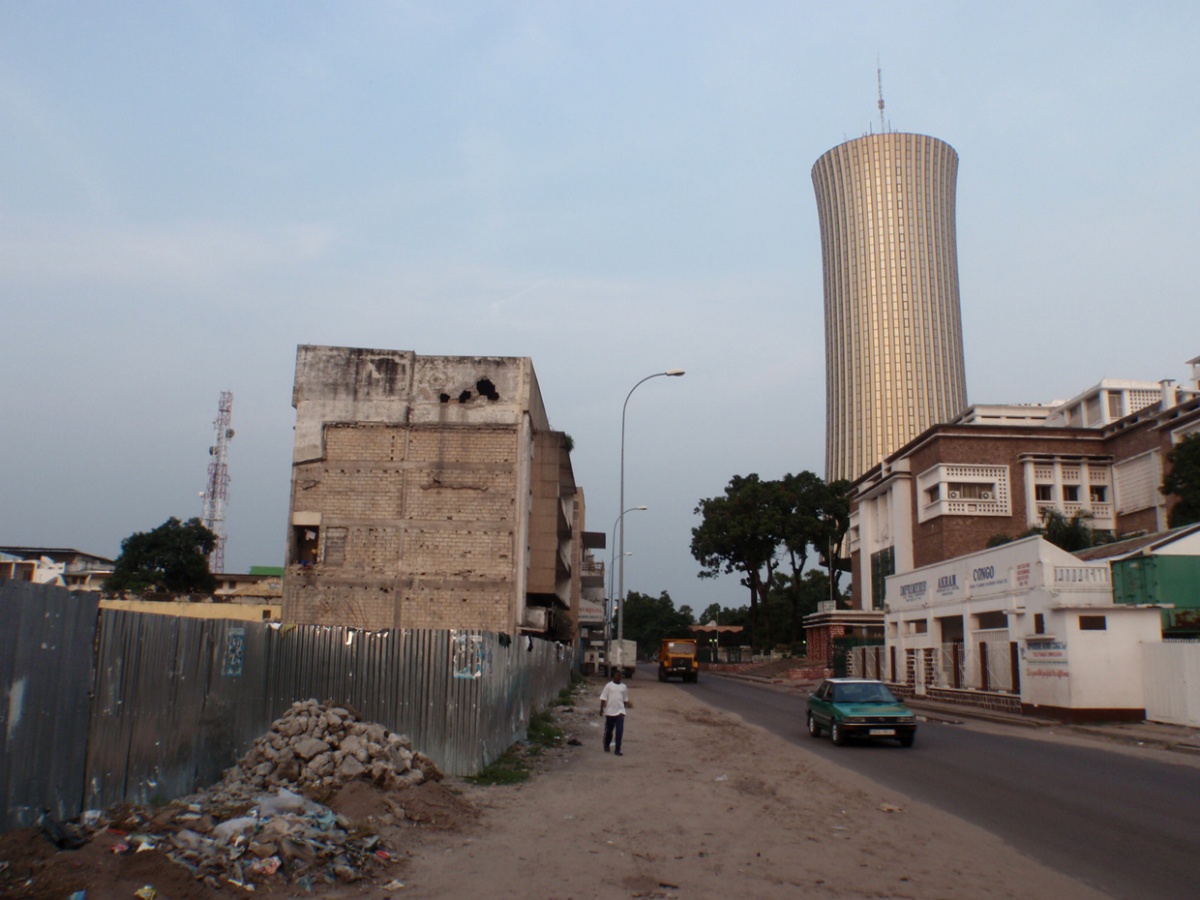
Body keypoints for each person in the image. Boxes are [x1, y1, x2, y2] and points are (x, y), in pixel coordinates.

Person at [599, 669, 631, 755]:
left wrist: (624, 709)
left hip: (620, 712)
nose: (618, 677)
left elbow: (625, 699)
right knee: (609, 730)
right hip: (610, 712)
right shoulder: (609, 686)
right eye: (617, 676)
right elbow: (603, 697)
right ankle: (606, 744)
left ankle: (617, 749)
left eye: (620, 676)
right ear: (614, 676)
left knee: (619, 731)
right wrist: (601, 708)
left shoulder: (623, 687)